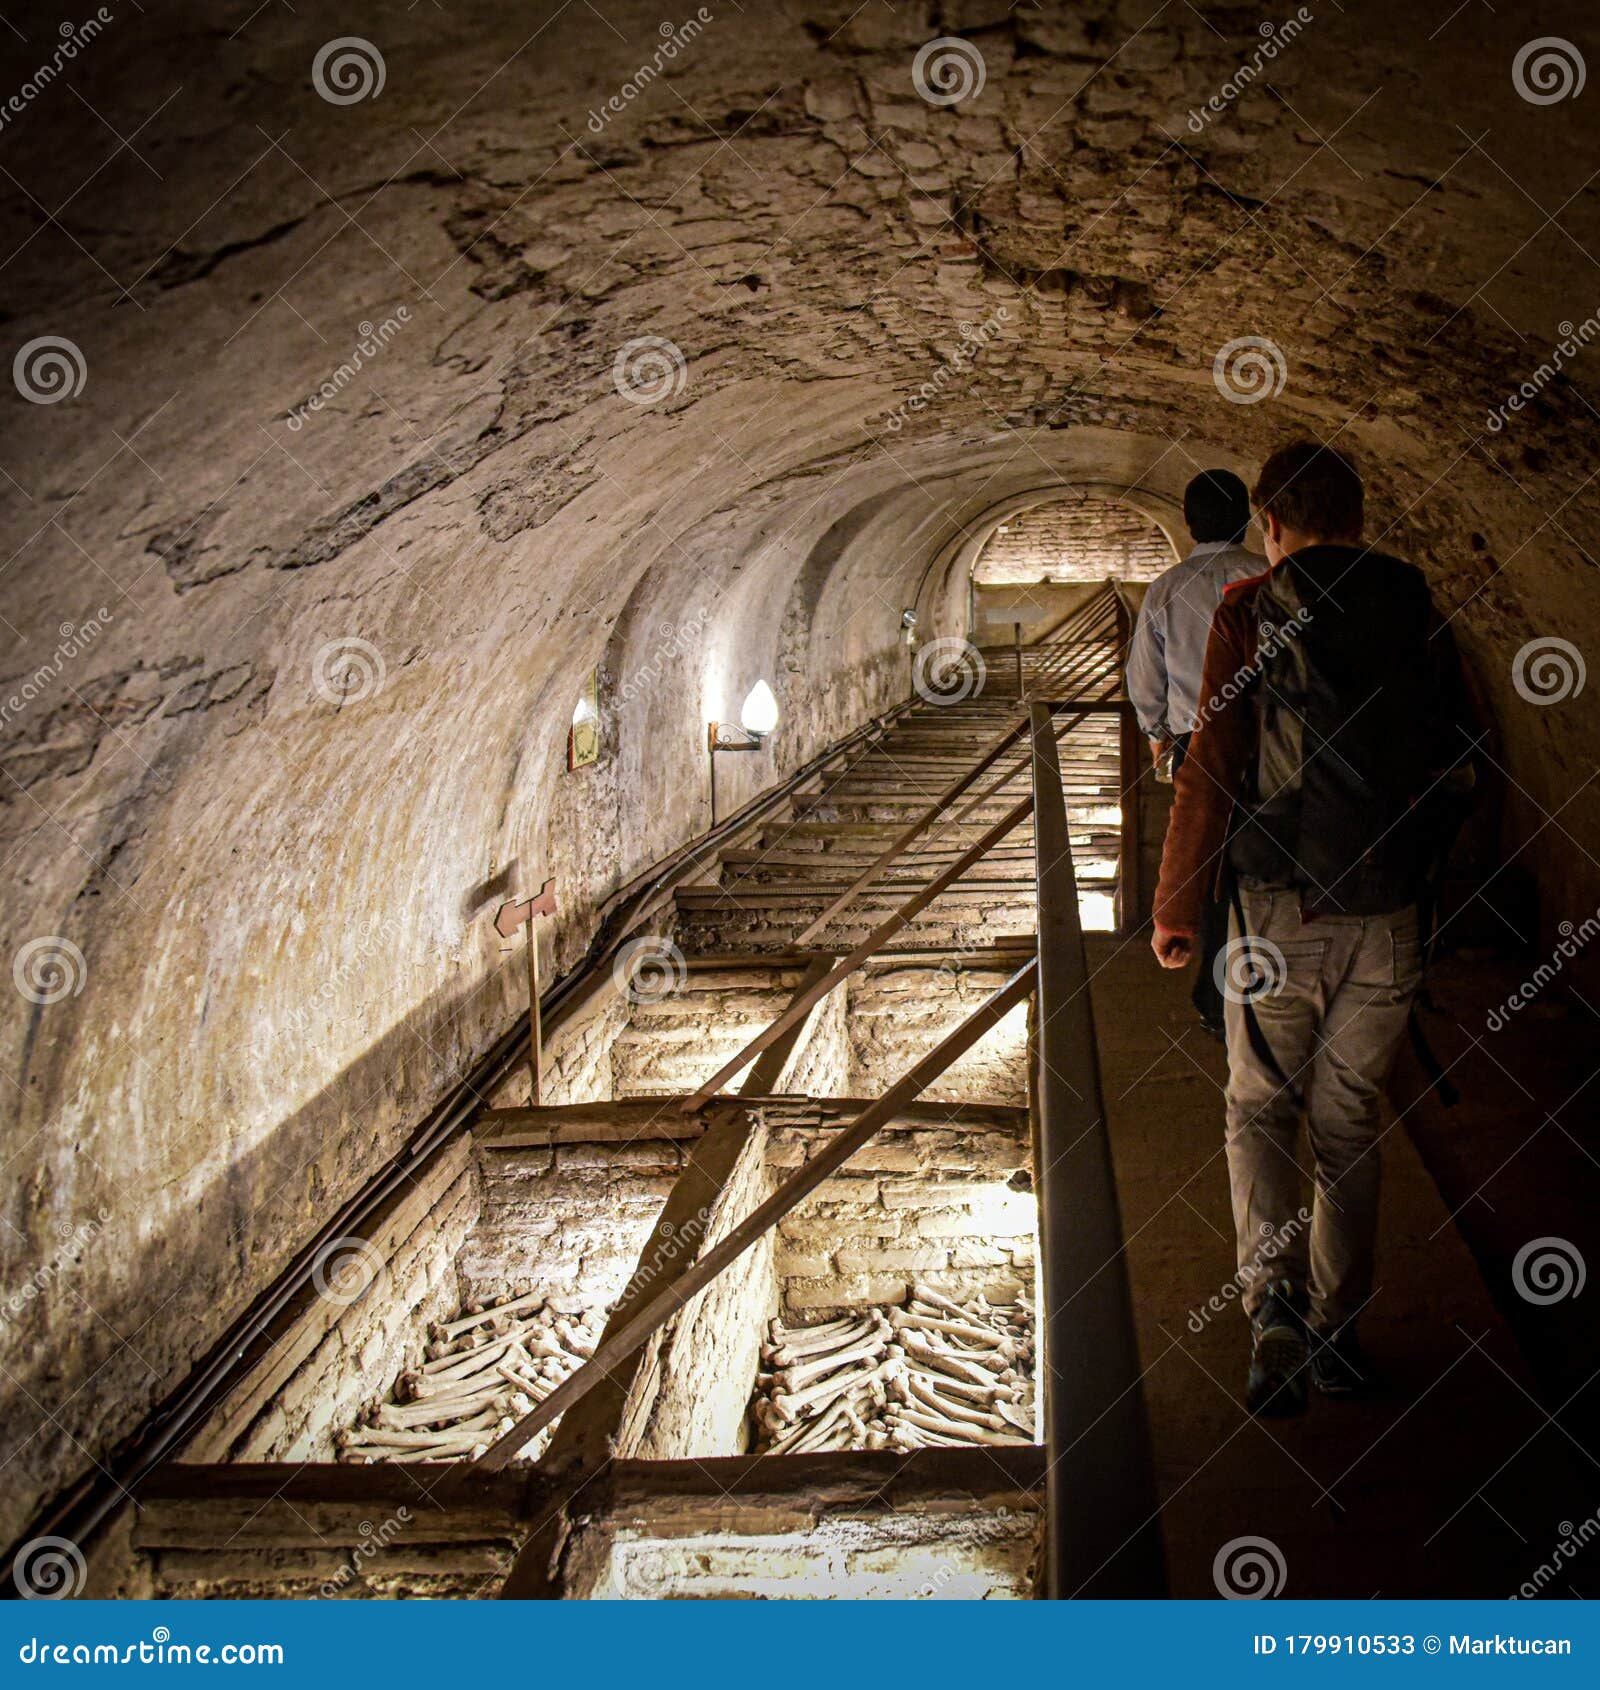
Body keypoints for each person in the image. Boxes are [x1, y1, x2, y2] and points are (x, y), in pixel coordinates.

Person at [1149, 440, 1476, 1417]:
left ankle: (1273, 1310)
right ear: (1360, 521)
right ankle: (1339, 1333)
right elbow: (1455, 761)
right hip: (1384, 916)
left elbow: (1210, 765)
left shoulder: (1246, 610)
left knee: (1258, 1108)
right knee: (1347, 1124)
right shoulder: (1412, 605)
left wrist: (1175, 908)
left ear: (1271, 524)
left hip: (1273, 908)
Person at [1126, 469, 1259, 1033]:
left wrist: (1158, 736)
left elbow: (1144, 677)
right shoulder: (1268, 577)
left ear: (1187, 521)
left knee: (1201, 857)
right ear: (1250, 520)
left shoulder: (1167, 588)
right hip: (1264, 741)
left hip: (1194, 739)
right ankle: (1261, 982)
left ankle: (1213, 993)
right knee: (1256, 863)